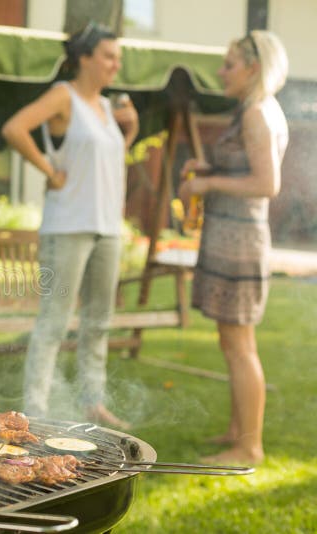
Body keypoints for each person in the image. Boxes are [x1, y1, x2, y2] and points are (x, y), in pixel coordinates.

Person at [1, 22, 138, 430]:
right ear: (85, 58)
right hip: (67, 227)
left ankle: (92, 404)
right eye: (109, 57)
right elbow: (14, 128)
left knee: (98, 322)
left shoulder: (109, 108)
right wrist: (48, 169)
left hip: (107, 228)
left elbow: (105, 161)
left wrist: (130, 130)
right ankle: (36, 412)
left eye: (118, 58)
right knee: (54, 322)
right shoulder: (65, 96)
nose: (116, 65)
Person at [178, 31, 289, 465]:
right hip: (230, 238)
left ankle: (250, 447)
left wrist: (207, 182)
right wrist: (205, 167)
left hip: (241, 241)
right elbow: (245, 167)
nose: (222, 72)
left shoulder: (258, 113)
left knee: (241, 345)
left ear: (253, 68)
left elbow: (267, 184)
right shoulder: (252, 111)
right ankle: (237, 431)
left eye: (229, 64)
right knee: (232, 342)